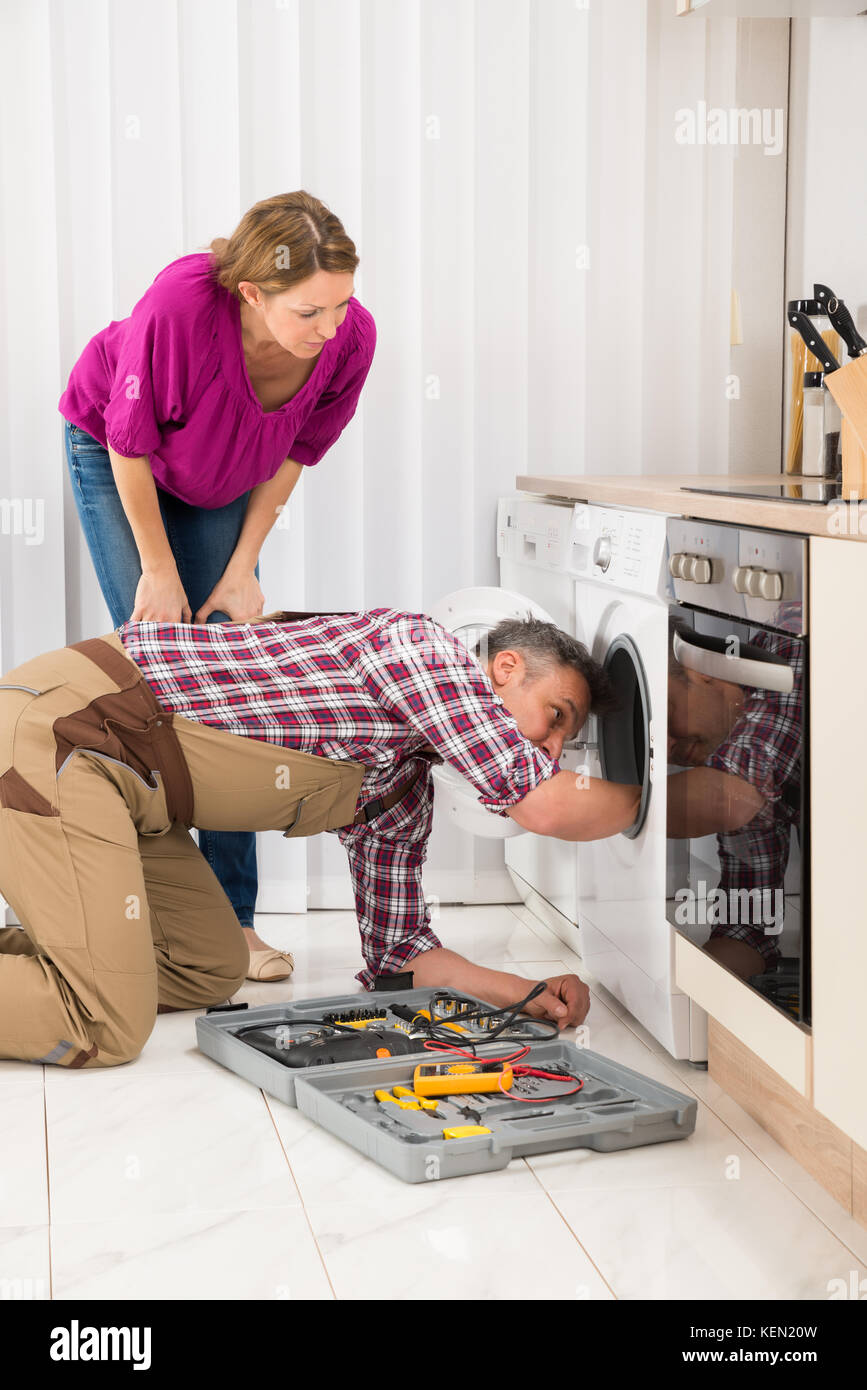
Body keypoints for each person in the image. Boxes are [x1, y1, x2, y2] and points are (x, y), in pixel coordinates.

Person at [0, 609, 639, 1070]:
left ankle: (74, 954)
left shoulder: (401, 788)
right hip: (61, 735)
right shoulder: (422, 648)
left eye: (565, 741)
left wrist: (524, 994)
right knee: (107, 1022)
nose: (553, 750)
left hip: (128, 791)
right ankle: (87, 974)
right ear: (506, 669)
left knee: (205, 969)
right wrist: (665, 803)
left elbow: (400, 955)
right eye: (557, 717)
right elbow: (543, 805)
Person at [58, 190, 375, 980]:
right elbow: (129, 444)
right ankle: (149, 917)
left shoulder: (349, 335)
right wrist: (159, 574)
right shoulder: (178, 305)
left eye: (340, 304)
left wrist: (241, 570)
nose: (330, 329)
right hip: (117, 453)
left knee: (231, 692)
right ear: (252, 293)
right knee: (160, 684)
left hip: (222, 474)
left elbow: (296, 451)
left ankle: (234, 922)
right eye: (310, 311)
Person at [666, 616, 804, 981]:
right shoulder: (733, 765)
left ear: (702, 669)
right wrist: (684, 995)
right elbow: (748, 927)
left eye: (666, 714)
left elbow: (741, 784)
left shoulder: (790, 647)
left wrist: (594, 811)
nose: (665, 748)